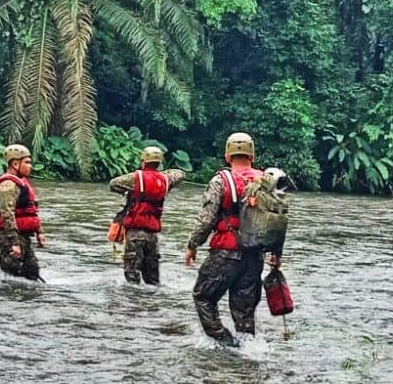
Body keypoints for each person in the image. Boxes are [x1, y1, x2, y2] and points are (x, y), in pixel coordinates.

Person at [184, 132, 282, 346]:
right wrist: (276, 255)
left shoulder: (220, 180)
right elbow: (278, 221)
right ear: (252, 156)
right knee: (245, 313)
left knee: (203, 296)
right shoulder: (266, 183)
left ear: (228, 156)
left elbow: (207, 220)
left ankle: (226, 344)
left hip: (225, 254)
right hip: (255, 257)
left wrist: (193, 245)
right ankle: (246, 356)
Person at [108, 146, 185, 285]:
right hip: (153, 237)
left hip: (135, 234)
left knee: (132, 279)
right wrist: (160, 175)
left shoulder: (136, 178)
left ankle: (133, 304)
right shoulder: (166, 180)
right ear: (159, 163)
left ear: (143, 162)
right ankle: (151, 305)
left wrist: (129, 189)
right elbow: (180, 173)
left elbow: (113, 184)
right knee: (153, 280)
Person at [0, 144, 46, 281]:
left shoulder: (22, 182)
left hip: (24, 236)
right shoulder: (8, 186)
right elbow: (7, 215)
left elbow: (31, 210)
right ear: (15, 164)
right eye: (27, 163)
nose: (30, 166)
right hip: (10, 237)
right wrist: (14, 243)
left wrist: (39, 232)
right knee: (13, 271)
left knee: (32, 270)